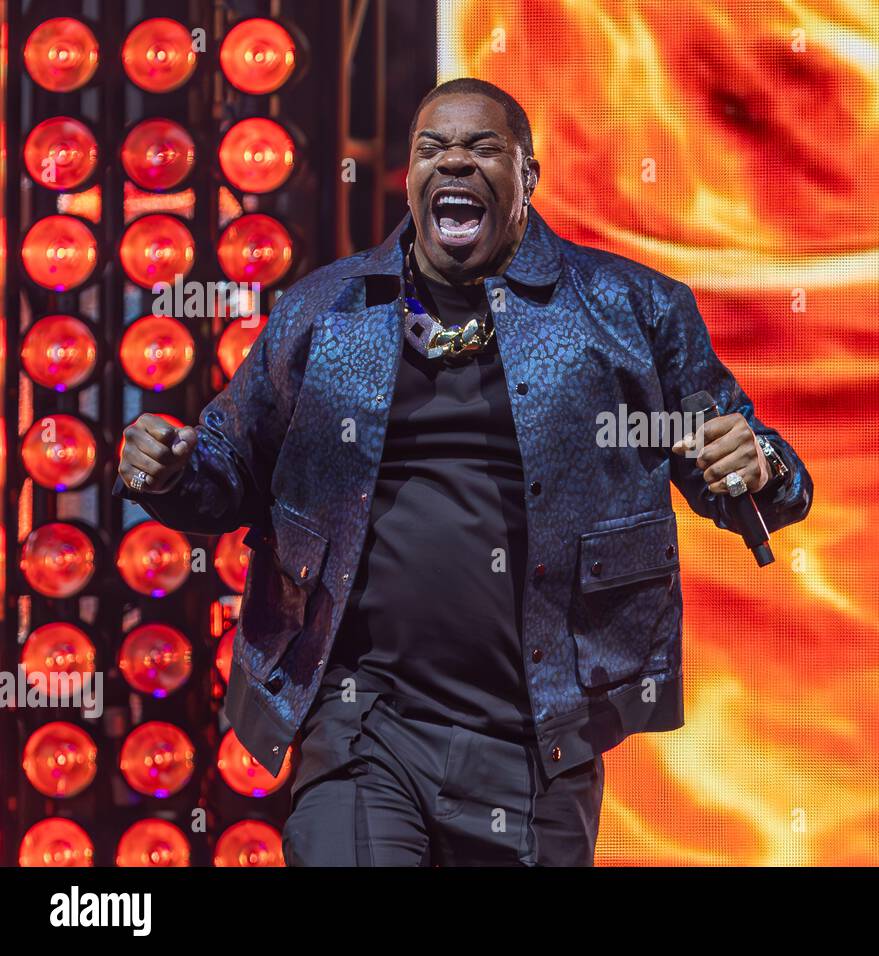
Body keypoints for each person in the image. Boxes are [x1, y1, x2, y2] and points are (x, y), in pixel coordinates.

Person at [114, 77, 813, 866]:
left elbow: (747, 466)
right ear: (409, 177)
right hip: (362, 724)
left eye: (482, 148)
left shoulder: (631, 311)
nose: (454, 162)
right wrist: (170, 472)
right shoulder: (325, 312)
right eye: (431, 149)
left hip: (537, 740)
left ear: (529, 177)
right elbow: (229, 467)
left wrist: (759, 467)